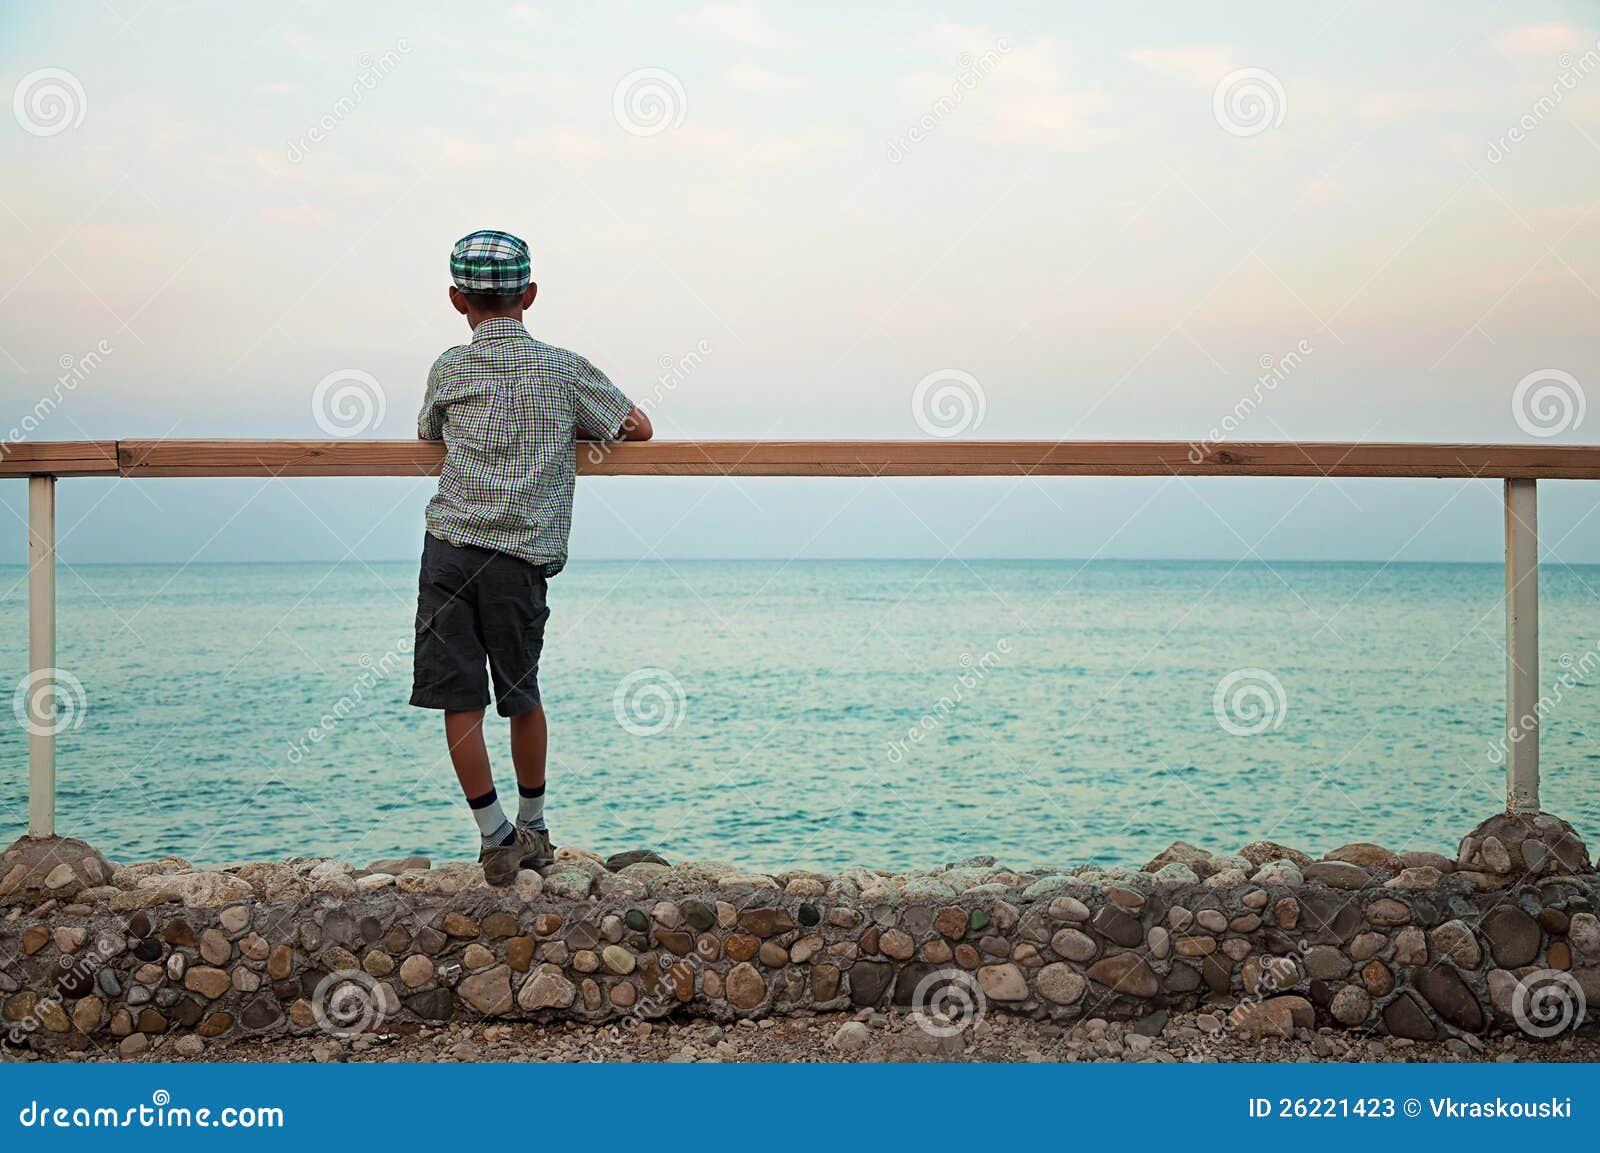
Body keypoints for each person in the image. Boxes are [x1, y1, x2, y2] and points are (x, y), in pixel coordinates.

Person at [411, 229, 652, 885]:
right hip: (517, 560)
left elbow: (430, 431)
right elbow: (637, 427)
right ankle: (536, 826)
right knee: (521, 693)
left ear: (457, 299)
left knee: (458, 697)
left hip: (450, 549)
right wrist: (563, 425)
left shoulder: (449, 369)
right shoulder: (564, 369)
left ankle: (494, 835)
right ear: (532, 295)